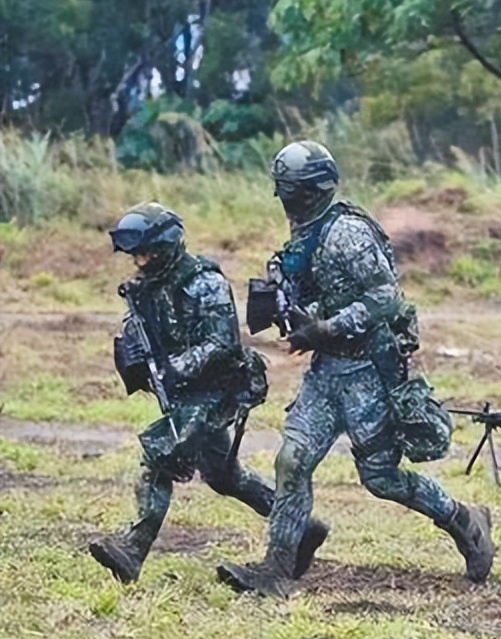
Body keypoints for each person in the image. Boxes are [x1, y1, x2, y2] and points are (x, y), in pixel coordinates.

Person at [217, 141, 492, 596]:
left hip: (369, 371)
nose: (285, 195)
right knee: (293, 460)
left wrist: (325, 328)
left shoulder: (347, 232)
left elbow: (387, 297)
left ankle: (465, 521)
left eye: (291, 187)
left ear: (312, 189)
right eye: (281, 187)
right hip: (327, 373)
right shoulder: (303, 232)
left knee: (382, 479)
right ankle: (277, 568)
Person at [91, 202, 327, 583]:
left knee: (159, 454)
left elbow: (223, 345)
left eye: (146, 253)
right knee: (223, 477)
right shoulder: (147, 287)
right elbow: (142, 330)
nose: (139, 262)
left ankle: (133, 548)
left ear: (166, 247)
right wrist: (131, 356)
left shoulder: (206, 284)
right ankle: (301, 528)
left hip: (219, 390)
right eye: (135, 255)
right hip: (184, 393)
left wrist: (175, 366)